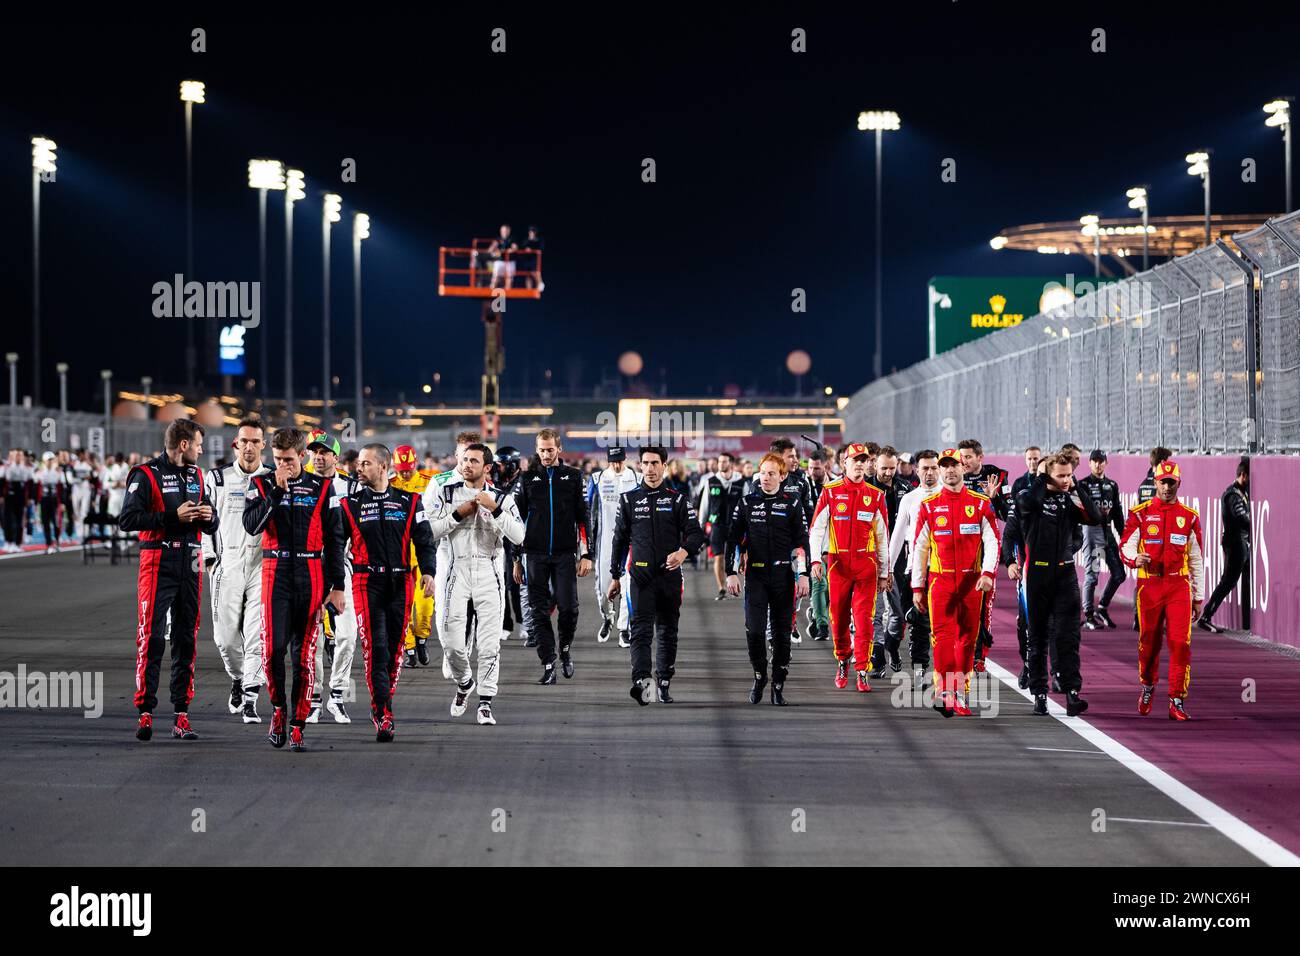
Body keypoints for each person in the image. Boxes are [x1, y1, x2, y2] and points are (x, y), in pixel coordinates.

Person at [243, 428, 347, 752]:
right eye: (276, 459)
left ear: (302, 456)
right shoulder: (261, 483)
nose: (282, 465)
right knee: (272, 650)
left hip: (312, 573)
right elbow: (251, 527)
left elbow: (335, 539)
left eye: (288, 459)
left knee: (304, 658)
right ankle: (277, 709)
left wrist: (338, 587)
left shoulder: (323, 488)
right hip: (275, 572)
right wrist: (275, 491)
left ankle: (299, 724)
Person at [120, 420, 219, 742]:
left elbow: (211, 522)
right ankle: (145, 712)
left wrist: (209, 518)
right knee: (151, 637)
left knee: (186, 638)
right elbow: (127, 519)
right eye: (199, 444)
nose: (202, 450)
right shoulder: (145, 474)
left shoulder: (197, 476)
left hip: (191, 560)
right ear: (183, 444)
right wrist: (171, 518)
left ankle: (181, 715)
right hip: (157, 558)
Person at [340, 444, 437, 741]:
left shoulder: (410, 501)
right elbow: (334, 546)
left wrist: (429, 572)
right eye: (359, 463)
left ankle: (383, 703)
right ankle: (383, 712)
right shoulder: (350, 504)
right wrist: (332, 584)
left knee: (394, 651)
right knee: (376, 648)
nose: (359, 468)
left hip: (401, 582)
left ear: (383, 467)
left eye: (366, 463)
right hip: (365, 582)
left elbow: (424, 540)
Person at [424, 443, 526, 725]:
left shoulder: (502, 497)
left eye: (473, 461)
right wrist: (459, 513)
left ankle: (485, 703)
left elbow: (519, 536)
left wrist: (495, 510)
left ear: (488, 468)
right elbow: (428, 531)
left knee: (489, 643)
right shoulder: (446, 493)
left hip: (489, 572)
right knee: (451, 642)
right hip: (455, 570)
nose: (466, 464)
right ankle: (465, 682)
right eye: (465, 459)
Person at [608, 446, 705, 704]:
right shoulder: (628, 500)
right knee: (640, 632)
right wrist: (615, 575)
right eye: (646, 463)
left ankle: (663, 681)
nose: (650, 469)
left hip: (669, 576)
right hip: (639, 577)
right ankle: (642, 683)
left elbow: (696, 534)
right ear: (639, 465)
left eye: (655, 463)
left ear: (665, 465)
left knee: (667, 631)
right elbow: (619, 540)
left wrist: (683, 552)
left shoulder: (678, 499)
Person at [909, 449, 999, 718]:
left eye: (954, 465)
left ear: (964, 468)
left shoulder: (981, 503)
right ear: (938, 470)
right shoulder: (929, 506)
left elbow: (993, 541)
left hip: (973, 582)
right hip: (940, 580)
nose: (949, 471)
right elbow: (920, 549)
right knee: (943, 637)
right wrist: (917, 587)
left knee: (968, 639)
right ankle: (944, 691)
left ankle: (960, 692)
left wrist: (987, 574)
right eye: (944, 466)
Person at [1017, 454, 1103, 717]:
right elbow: (1027, 502)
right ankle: (1039, 695)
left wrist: (1075, 487)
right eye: (1062, 476)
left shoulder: (1071, 497)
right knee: (1038, 637)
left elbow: (1094, 516)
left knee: (1068, 637)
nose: (1067, 480)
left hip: (1065, 575)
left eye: (1070, 475)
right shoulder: (1030, 495)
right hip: (1037, 575)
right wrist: (1044, 480)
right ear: (1047, 475)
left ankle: (1072, 693)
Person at [1120, 460, 1204, 720]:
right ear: (1155, 482)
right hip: (1149, 585)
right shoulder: (1140, 513)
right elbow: (1125, 547)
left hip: (1179, 586)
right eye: (1163, 482)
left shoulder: (1190, 517)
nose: (1167, 487)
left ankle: (1176, 700)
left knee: (1180, 644)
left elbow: (1197, 559)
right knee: (1149, 643)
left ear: (1179, 483)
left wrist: (1198, 596)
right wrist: (1136, 559)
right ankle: (1147, 685)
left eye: (1172, 482)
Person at [725, 452, 809, 705]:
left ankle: (779, 684)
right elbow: (732, 539)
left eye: (772, 473)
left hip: (784, 576)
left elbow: (801, 542)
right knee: (755, 631)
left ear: (783, 476)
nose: (766, 478)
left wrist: (802, 574)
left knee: (783, 635)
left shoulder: (793, 503)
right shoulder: (747, 503)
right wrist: (730, 573)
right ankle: (760, 675)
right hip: (757, 576)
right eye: (763, 473)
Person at [202, 417, 271, 722]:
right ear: (236, 444)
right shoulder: (216, 478)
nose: (249, 447)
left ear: (263, 445)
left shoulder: (271, 478)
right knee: (225, 637)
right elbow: (203, 521)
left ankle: (251, 693)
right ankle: (238, 677)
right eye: (245, 441)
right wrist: (208, 558)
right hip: (227, 561)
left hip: (262, 562)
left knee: (257, 633)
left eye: (256, 441)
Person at [809, 443, 890, 693]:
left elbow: (882, 537)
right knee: (839, 618)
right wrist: (814, 560)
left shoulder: (876, 496)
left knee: (865, 620)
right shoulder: (830, 492)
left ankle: (862, 670)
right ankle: (843, 660)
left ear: (868, 464)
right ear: (844, 462)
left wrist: (884, 572)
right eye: (854, 460)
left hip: (866, 566)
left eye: (863, 460)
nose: (859, 464)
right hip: (838, 565)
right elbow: (817, 529)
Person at [515, 428, 593, 684]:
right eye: (541, 450)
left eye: (550, 449)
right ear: (536, 450)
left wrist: (586, 554)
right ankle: (549, 663)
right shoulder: (526, 479)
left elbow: (583, 519)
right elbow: (516, 521)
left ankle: (566, 649)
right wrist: (517, 558)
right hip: (534, 554)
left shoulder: (573, 477)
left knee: (569, 607)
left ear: (559, 449)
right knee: (538, 611)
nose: (546, 454)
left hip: (563, 554)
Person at [304, 430, 358, 724]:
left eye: (324, 452)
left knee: (347, 636)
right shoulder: (301, 483)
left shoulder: (350, 486)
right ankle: (314, 700)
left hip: (342, 565)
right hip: (309, 565)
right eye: (314, 451)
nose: (318, 456)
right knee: (313, 638)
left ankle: (337, 696)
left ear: (336, 457)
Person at [887, 449, 942, 683]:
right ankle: (920, 668)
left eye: (933, 468)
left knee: (943, 622)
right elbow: (898, 536)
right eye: (925, 468)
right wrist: (887, 569)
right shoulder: (909, 499)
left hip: (945, 571)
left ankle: (946, 671)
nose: (929, 473)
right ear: (916, 470)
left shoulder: (950, 496)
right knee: (918, 620)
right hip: (916, 569)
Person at [958, 438, 1009, 672]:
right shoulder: (953, 474)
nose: (963, 461)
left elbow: (1006, 515)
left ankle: (980, 656)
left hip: (986, 547)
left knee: (983, 605)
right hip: (960, 548)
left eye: (968, 457)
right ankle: (962, 649)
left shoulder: (996, 476)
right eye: (962, 457)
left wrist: (994, 497)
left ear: (980, 457)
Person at [391, 444, 437, 667]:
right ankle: (408, 648)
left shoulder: (430, 483)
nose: (405, 474)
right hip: (398, 555)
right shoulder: (389, 485)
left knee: (425, 604)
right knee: (402, 606)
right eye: (401, 470)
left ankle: (421, 638)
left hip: (422, 554)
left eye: (408, 469)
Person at [589, 446, 641, 644]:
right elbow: (588, 510)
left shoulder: (637, 478)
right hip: (605, 541)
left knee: (628, 586)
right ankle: (607, 617)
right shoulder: (597, 479)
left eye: (619, 461)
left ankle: (624, 628)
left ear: (625, 459)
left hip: (630, 541)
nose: (616, 465)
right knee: (603, 588)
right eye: (613, 461)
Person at [867, 446, 909, 676]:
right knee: (875, 611)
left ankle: (892, 646)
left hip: (899, 559)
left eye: (892, 468)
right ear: (875, 465)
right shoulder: (866, 488)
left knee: (899, 613)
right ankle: (878, 659)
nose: (888, 472)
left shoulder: (906, 489)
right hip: (872, 557)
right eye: (884, 468)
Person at [1199, 459, 1250, 633]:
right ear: (1243, 475)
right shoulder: (1233, 494)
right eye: (1249, 477)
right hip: (1234, 543)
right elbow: (1243, 519)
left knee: (1230, 582)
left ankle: (1207, 616)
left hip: (1240, 543)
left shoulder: (1241, 492)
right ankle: (1206, 616)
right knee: (1227, 581)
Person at [1079, 449, 1126, 630]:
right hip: (1092, 533)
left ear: (1106, 463)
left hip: (1108, 534)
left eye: (1101, 461)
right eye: (1095, 461)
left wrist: (1124, 537)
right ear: (1089, 463)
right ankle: (1089, 614)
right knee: (1093, 574)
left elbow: (1117, 514)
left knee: (1119, 574)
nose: (1098, 464)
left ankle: (1102, 608)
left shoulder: (1112, 486)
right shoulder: (1082, 485)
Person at [697, 452, 745, 601]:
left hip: (736, 526)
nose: (721, 464)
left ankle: (734, 582)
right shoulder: (711, 481)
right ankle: (722, 588)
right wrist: (700, 526)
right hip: (717, 524)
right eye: (719, 462)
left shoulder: (741, 482)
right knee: (719, 556)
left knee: (737, 555)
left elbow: (746, 503)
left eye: (724, 461)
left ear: (731, 464)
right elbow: (704, 505)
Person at [492, 446, 527, 639]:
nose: (498, 468)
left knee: (516, 583)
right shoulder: (496, 483)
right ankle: (506, 623)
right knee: (501, 583)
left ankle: (523, 621)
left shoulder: (524, 482)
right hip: (499, 538)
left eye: (501, 464)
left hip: (517, 538)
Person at [2, 449, 33, 552]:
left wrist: (29, 498)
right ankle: (8, 541)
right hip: (9, 495)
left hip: (20, 495)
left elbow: (30, 483)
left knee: (20, 520)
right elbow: (1, 482)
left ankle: (17, 543)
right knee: (8, 520)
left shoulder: (26, 468)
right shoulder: (5, 467)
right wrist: (1, 495)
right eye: (15, 455)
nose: (17, 457)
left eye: (19, 455)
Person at [35, 452, 66, 553]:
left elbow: (62, 488)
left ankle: (57, 541)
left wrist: (62, 502)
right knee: (45, 523)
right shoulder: (39, 472)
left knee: (56, 522)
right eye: (48, 460)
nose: (50, 462)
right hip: (44, 500)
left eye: (51, 460)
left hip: (54, 500)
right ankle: (48, 544)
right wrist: (36, 501)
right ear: (44, 461)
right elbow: (35, 487)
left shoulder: (58, 472)